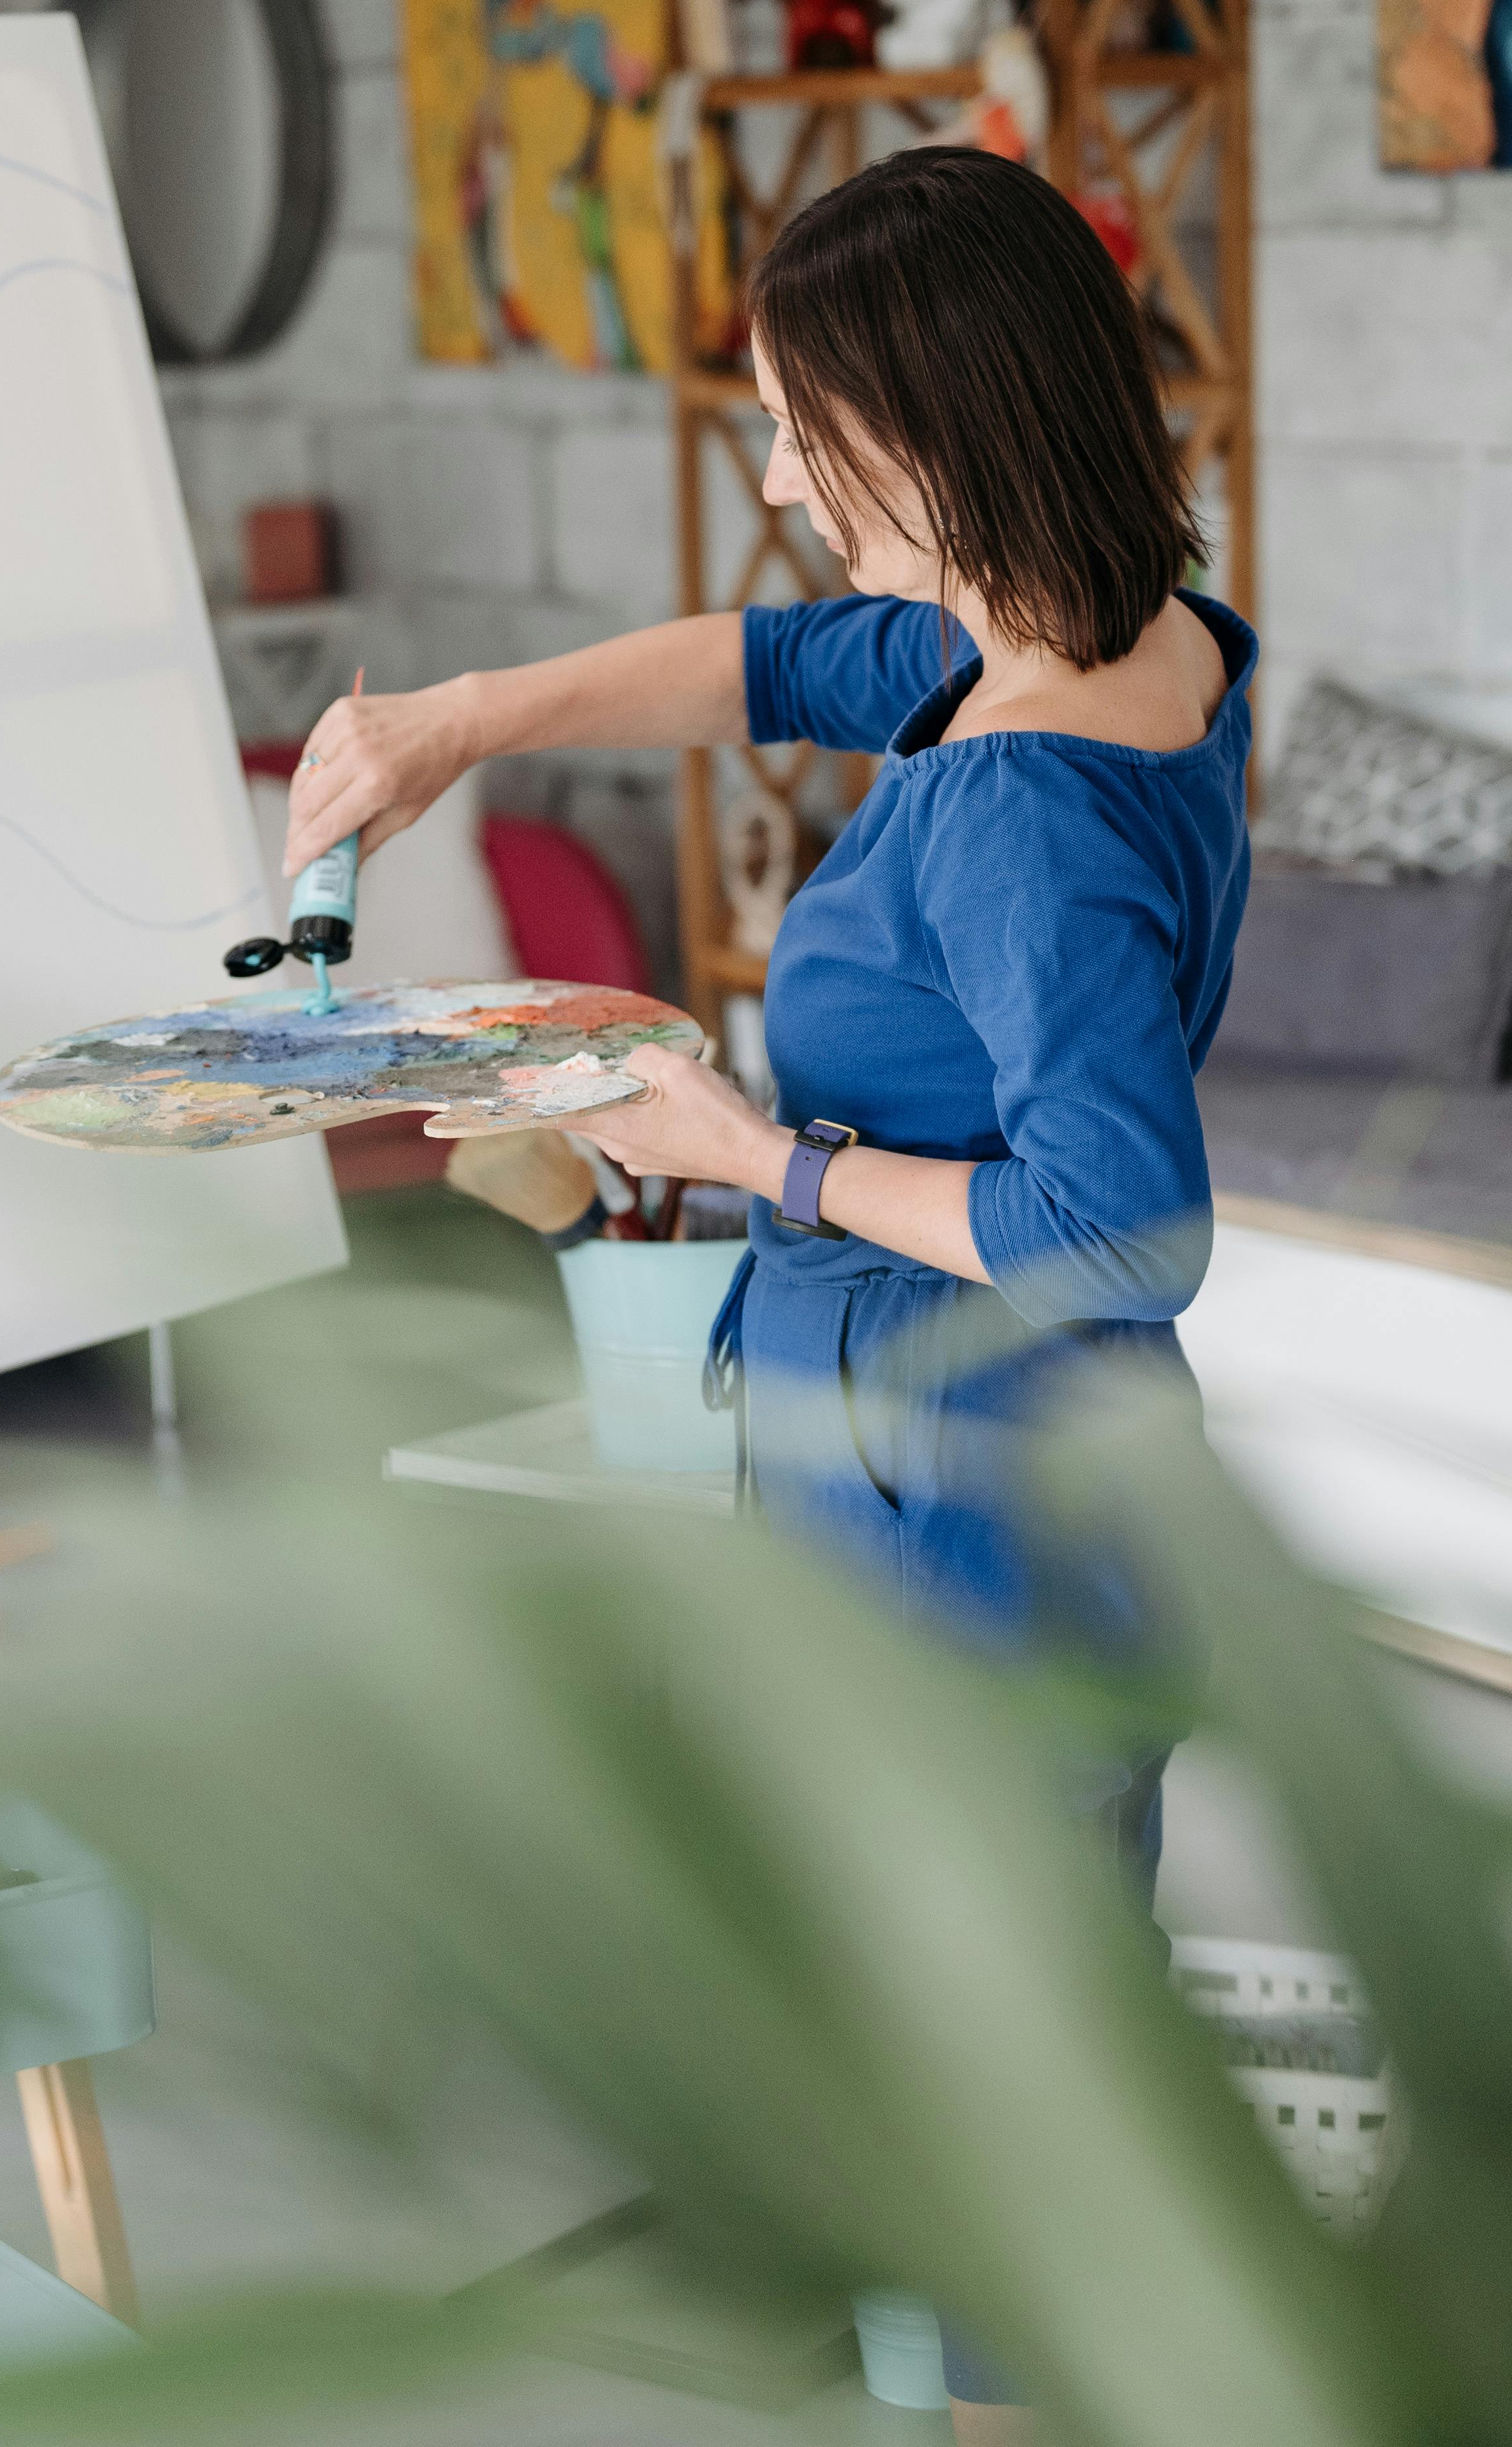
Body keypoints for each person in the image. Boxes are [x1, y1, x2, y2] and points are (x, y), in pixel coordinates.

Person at [277, 146, 1254, 2444]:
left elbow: (1131, 1223)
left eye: (811, 434)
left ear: (945, 424)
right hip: (1041, 1473)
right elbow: (774, 660)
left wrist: (751, 1155)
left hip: (964, 1488)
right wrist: (462, 720)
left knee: (996, 2068)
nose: (787, 479)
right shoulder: (1145, 632)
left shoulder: (1015, 794)